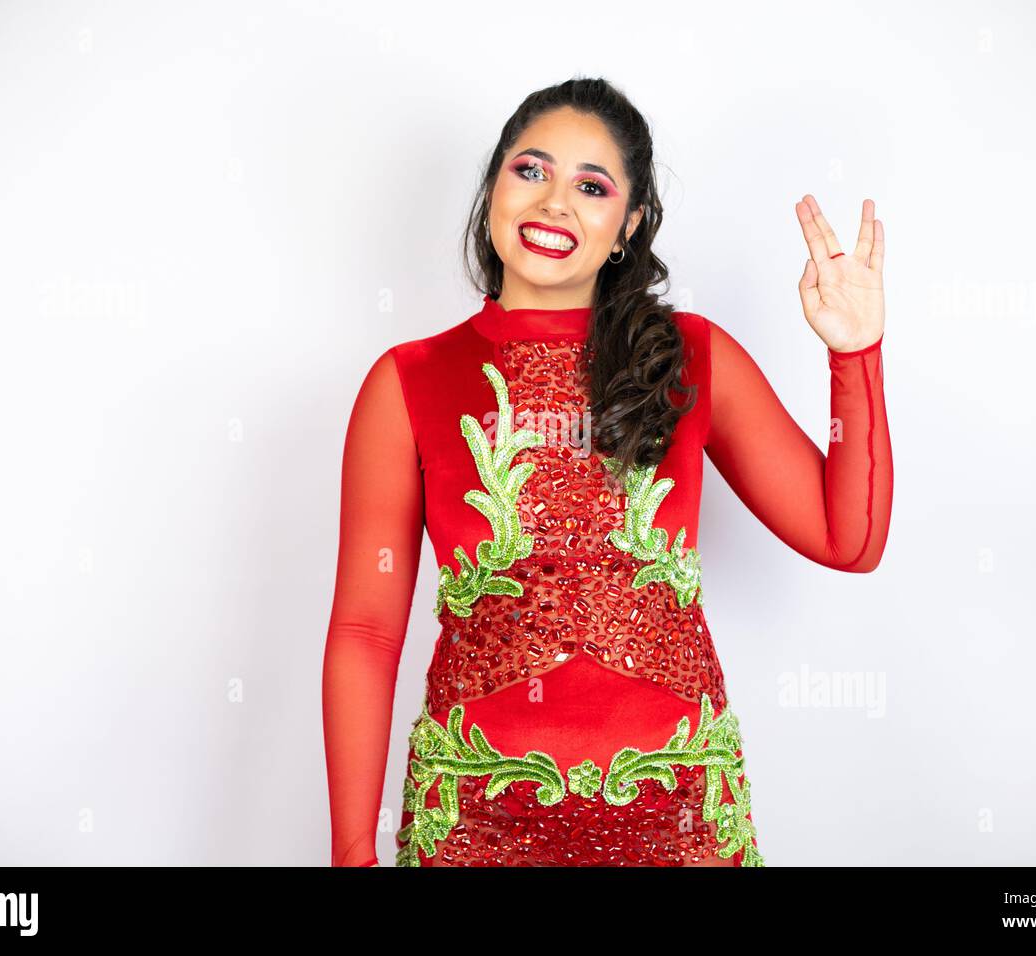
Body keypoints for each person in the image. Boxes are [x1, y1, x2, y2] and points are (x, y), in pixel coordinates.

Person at [322, 77, 891, 867]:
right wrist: (352, 855)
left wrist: (854, 352)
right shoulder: (407, 381)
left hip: (679, 826)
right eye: (531, 170)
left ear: (627, 225)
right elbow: (364, 633)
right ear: (493, 188)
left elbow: (848, 538)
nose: (555, 202)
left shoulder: (690, 358)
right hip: (476, 829)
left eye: (591, 187)